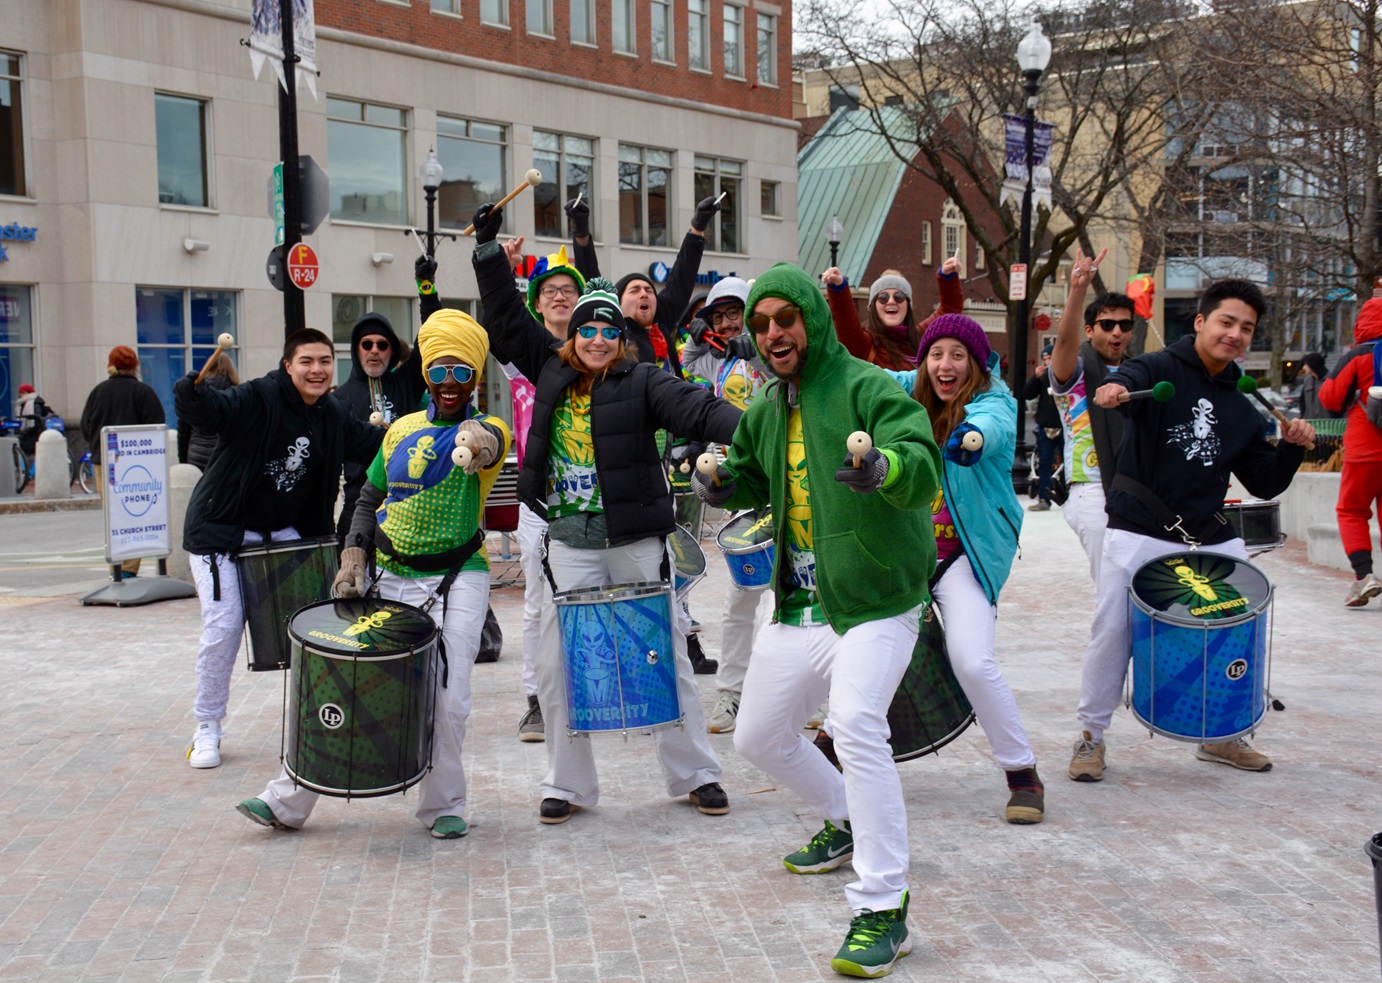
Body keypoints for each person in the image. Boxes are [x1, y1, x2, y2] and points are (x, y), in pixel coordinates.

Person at [692, 262, 941, 979]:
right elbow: (748, 471)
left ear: (813, 320)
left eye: (785, 319)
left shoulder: (867, 386)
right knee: (757, 736)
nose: (773, 333)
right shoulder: (770, 405)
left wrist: (884, 469)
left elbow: (920, 458)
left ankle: (882, 906)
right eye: (763, 324)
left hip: (874, 603)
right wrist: (719, 479)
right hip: (798, 604)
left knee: (857, 723)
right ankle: (843, 818)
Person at [471, 203, 742, 825]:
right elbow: (507, 316)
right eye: (587, 330)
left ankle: (696, 774)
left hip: (635, 541)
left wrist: (758, 428)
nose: (596, 339)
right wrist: (487, 249)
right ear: (572, 336)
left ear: (621, 340)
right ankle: (567, 785)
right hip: (568, 541)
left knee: (663, 651)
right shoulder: (550, 367)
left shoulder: (642, 380)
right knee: (557, 661)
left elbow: (698, 408)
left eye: (608, 332)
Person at [237, 310, 511, 838]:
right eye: (441, 370)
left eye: (463, 372)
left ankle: (442, 805)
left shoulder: (488, 428)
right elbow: (369, 495)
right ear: (426, 373)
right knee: (344, 681)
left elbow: (488, 444)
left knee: (449, 696)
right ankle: (288, 800)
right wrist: (354, 553)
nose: (450, 383)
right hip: (386, 574)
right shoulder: (402, 429)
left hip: (457, 579)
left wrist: (475, 443)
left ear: (476, 377)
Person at [1069, 278, 1316, 781]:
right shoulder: (1158, 368)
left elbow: (1264, 481)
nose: (1236, 334)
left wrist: (1292, 446)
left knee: (1238, 630)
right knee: (1113, 630)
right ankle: (1091, 736)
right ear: (1201, 321)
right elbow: (1128, 377)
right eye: (1227, 322)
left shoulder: (1242, 405)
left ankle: (1222, 734)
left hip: (1210, 532)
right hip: (1140, 527)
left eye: (1246, 328)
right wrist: (1117, 390)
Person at [173, 329, 383, 770]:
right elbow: (215, 411)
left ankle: (325, 719)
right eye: (306, 361)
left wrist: (421, 431)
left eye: (325, 361)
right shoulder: (258, 396)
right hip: (221, 533)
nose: (317, 370)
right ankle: (206, 727)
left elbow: (373, 444)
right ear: (288, 366)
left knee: (317, 626)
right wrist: (191, 395)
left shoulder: (332, 413)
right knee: (226, 624)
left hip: (287, 535)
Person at [880, 314, 1043, 824]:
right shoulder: (909, 391)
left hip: (964, 557)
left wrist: (969, 438)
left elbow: (991, 429)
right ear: (923, 361)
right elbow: (860, 377)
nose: (946, 365)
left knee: (972, 660)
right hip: (907, 551)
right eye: (936, 354)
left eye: (958, 356)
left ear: (975, 363)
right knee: (854, 646)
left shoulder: (994, 400)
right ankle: (833, 744)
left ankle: (1023, 773)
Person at [679, 276, 771, 734]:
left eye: (735, 314)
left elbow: (771, 360)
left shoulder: (769, 351)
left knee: (789, 595)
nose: (727, 324)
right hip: (739, 483)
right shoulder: (716, 363)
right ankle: (731, 694)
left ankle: (799, 694)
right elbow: (687, 362)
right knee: (741, 598)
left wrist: (747, 344)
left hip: (784, 481)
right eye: (719, 317)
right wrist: (699, 333)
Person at [331, 256, 436, 549]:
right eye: (367, 344)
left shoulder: (405, 381)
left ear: (391, 350)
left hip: (406, 503)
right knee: (353, 588)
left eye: (382, 345)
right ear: (356, 350)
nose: (374, 351)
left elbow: (429, 336)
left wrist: (426, 289)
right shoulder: (338, 399)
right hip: (357, 507)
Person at [1048, 249, 1135, 583]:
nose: (1117, 332)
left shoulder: (1140, 371)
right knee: (1113, 586)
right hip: (1093, 488)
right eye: (1107, 324)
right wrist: (1078, 289)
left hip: (1135, 487)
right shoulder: (1077, 370)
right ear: (1089, 330)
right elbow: (1065, 341)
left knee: (1133, 584)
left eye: (1125, 325)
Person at [569, 193, 722, 378]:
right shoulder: (614, 331)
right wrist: (581, 233)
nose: (644, 294)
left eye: (649, 291)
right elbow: (589, 277)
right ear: (617, 303)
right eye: (634, 290)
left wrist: (698, 228)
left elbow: (682, 277)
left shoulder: (661, 322)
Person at [80, 345, 166, 577]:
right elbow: (156, 427)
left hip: (103, 463)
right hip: (137, 465)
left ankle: (117, 566)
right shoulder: (143, 392)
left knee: (113, 515)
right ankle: (127, 568)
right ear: (135, 365)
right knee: (134, 513)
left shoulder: (98, 391)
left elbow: (85, 426)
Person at [1319, 296, 1382, 606]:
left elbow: (1329, 397)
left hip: (1364, 447)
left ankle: (1363, 577)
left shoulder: (1358, 355)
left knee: (1352, 511)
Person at [821, 258, 964, 370]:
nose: (891, 301)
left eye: (899, 297)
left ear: (908, 305)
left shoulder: (921, 336)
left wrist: (948, 277)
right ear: (873, 307)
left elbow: (949, 310)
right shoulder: (865, 345)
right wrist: (838, 288)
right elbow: (845, 322)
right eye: (883, 297)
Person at [176, 354, 240, 471]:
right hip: (223, 454)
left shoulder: (195, 391)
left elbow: (183, 430)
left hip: (195, 454)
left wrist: (183, 461)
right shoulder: (236, 392)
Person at [1023, 344, 1064, 511]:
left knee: (1068, 464)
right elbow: (1027, 394)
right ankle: (1044, 499)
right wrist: (1035, 378)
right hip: (1045, 426)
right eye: (1045, 359)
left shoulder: (1064, 375)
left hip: (1063, 426)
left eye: (1050, 359)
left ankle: (1068, 497)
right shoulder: (1042, 377)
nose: (1047, 362)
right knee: (1044, 464)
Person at [15, 383, 53, 458]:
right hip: (29, 432)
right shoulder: (22, 404)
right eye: (20, 392)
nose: (21, 395)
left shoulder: (34, 403)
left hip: (34, 432)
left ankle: (24, 468)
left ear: (29, 393)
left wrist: (26, 432)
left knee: (24, 447)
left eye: (23, 392)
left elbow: (36, 419)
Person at [1295, 352, 1329, 421]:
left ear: (1313, 365)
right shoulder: (1307, 381)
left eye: (1306, 364)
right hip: (1310, 424)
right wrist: (1302, 417)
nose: (1303, 367)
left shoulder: (1330, 380)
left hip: (1327, 425)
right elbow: (1302, 402)